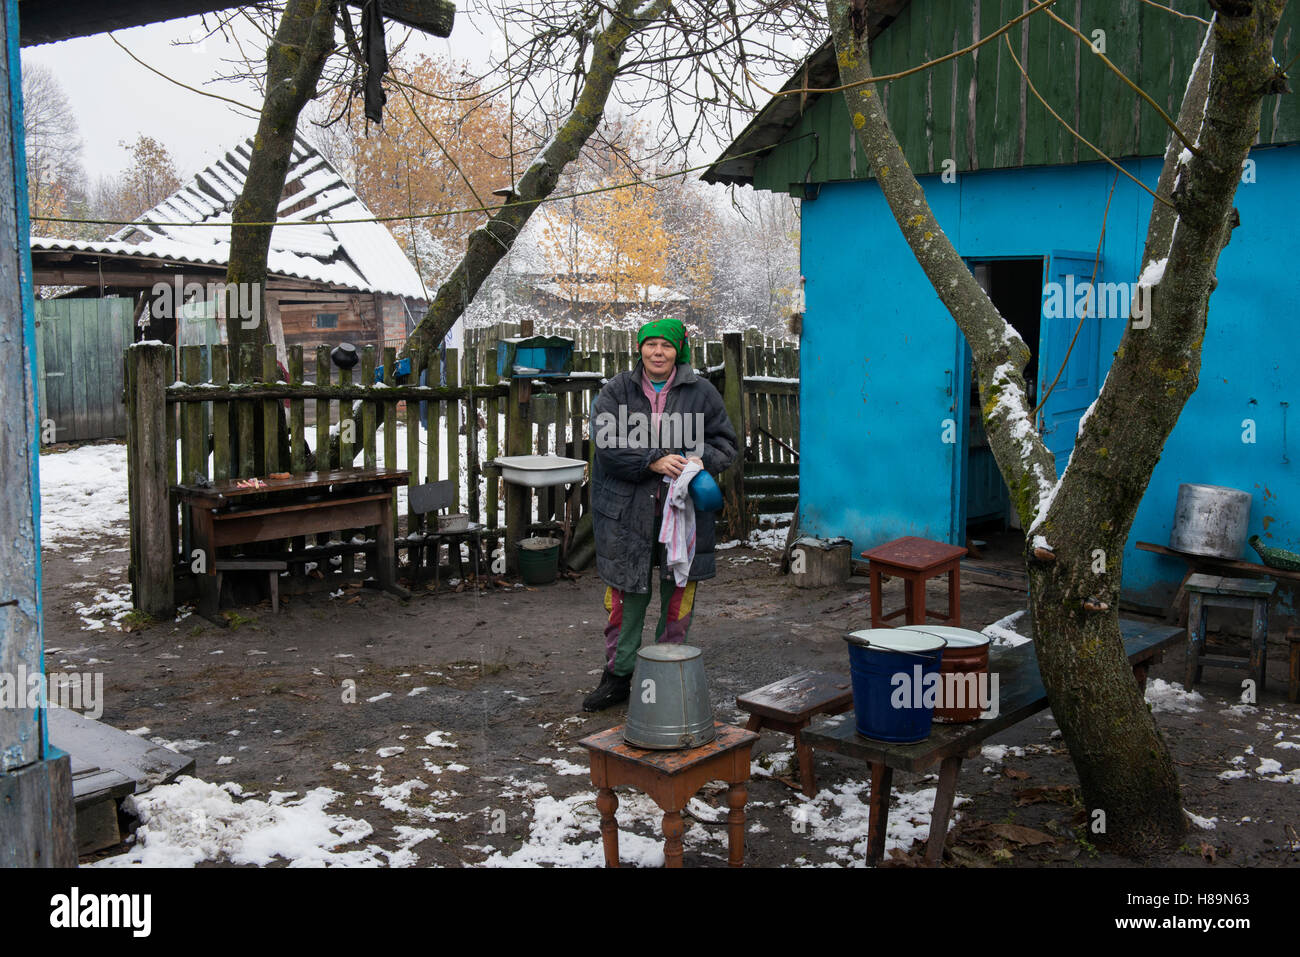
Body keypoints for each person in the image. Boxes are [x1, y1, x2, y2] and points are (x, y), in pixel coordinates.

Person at [582, 318, 738, 712]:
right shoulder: (617, 391)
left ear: (678, 350)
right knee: (626, 597)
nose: (657, 352)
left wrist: (702, 460)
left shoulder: (700, 392)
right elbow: (606, 443)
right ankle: (618, 676)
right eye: (650, 344)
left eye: (665, 346)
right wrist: (652, 460)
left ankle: (667, 674)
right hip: (626, 515)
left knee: (678, 596)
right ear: (640, 349)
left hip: (682, 514)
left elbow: (726, 442)